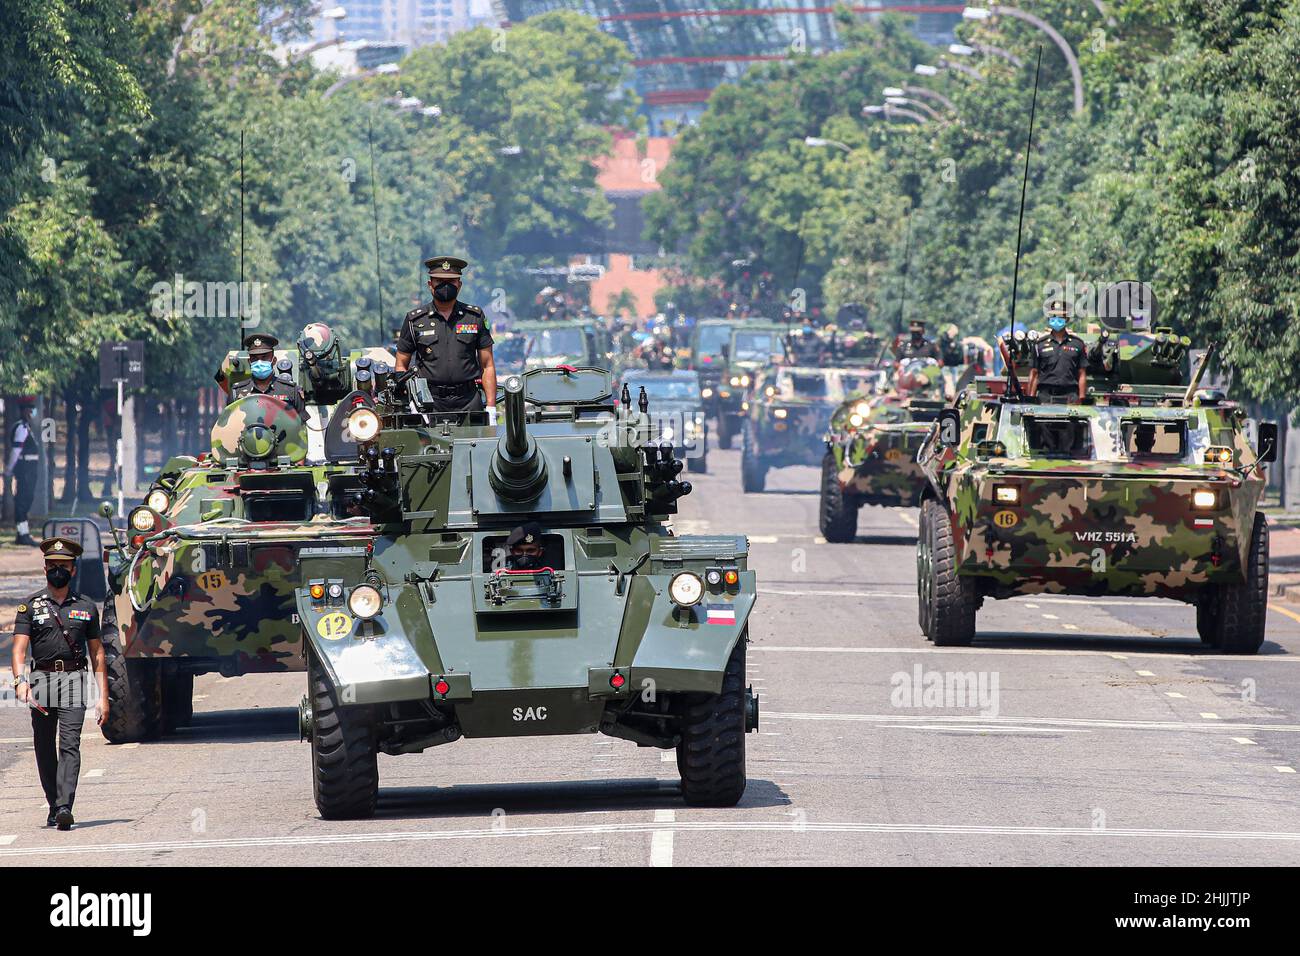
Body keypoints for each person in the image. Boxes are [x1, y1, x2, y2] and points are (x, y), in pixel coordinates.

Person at [11, 537, 108, 830]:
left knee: (70, 744)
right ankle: (53, 803)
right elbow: (18, 650)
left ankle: (65, 806)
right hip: (41, 681)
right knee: (43, 746)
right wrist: (19, 681)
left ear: (73, 570)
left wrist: (103, 697)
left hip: (74, 680)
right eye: (53, 565)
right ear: (44, 568)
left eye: (63, 566)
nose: (58, 570)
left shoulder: (87, 607)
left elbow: (98, 654)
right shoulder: (29, 607)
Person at [396, 256, 498, 415]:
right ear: (430, 285)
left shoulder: (474, 316)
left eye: (451, 281)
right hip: (428, 402)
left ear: (459, 285)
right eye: (439, 281)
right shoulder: (414, 319)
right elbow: (401, 365)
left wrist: (491, 408)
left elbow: (487, 365)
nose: (445, 285)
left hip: (469, 401)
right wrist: (411, 401)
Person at [229, 334, 307, 415]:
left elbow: (300, 424)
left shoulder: (291, 390)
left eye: (264, 357)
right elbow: (230, 423)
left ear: (274, 360)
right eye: (255, 358)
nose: (259, 362)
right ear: (249, 362)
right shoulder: (237, 392)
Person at [1027, 302, 1088, 403]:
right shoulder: (1040, 344)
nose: (1056, 319)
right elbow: (1034, 373)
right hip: (1045, 396)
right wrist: (1030, 399)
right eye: (1053, 316)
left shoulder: (1077, 344)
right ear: (1049, 319)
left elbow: (1082, 373)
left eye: (1060, 316)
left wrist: (1081, 399)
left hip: (1071, 396)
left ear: (1067, 319)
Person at [7, 396, 40, 546]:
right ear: (24, 411)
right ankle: (22, 534)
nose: (32, 411)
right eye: (30, 409)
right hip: (25, 467)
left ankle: (23, 533)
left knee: (26, 500)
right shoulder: (21, 427)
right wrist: (9, 469)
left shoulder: (27, 427)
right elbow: (16, 450)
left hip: (30, 467)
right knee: (22, 501)